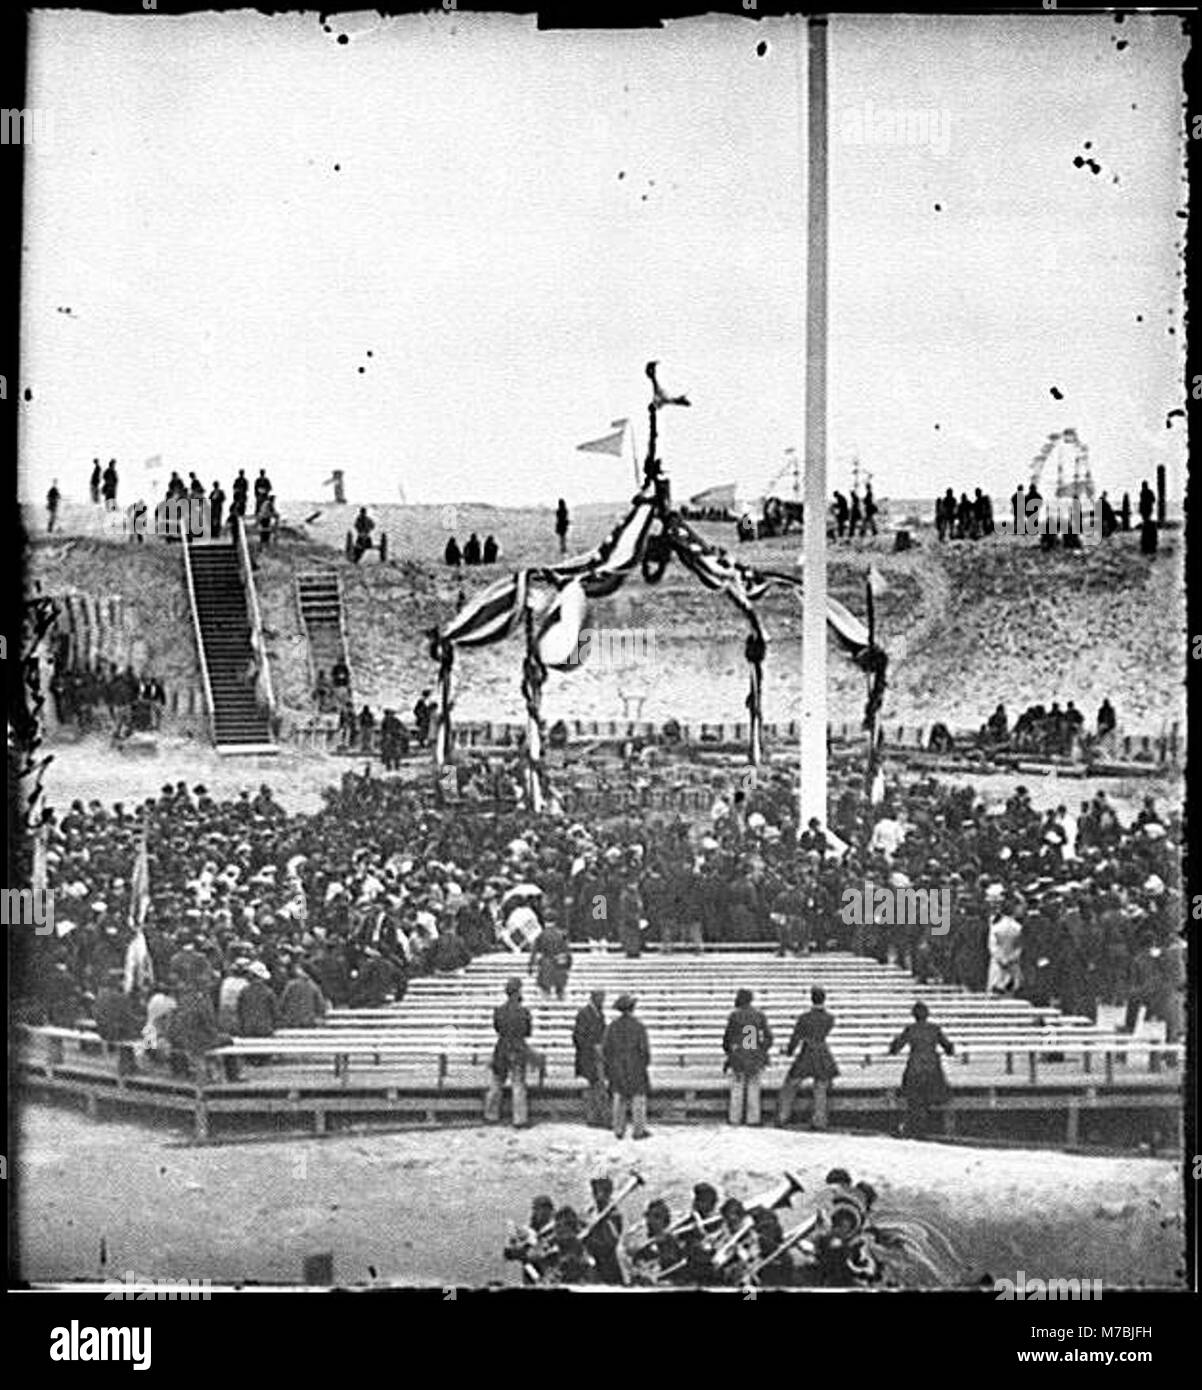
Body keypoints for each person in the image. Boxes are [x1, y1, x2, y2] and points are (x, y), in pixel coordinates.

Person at [888, 1000, 954, 1139]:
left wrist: (893, 1044)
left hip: (915, 1069)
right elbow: (948, 1048)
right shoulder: (935, 1029)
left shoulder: (910, 1029)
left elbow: (896, 1048)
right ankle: (925, 1128)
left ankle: (914, 1128)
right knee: (926, 1098)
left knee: (914, 1099)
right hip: (932, 1070)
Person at [777, 986, 839, 1129]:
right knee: (820, 1087)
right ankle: (820, 1119)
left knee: (790, 1084)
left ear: (811, 999)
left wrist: (789, 1051)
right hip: (822, 1051)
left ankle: (782, 1116)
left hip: (807, 1051)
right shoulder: (829, 1018)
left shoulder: (804, 1018)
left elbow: (796, 1037)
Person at [484, 977, 534, 1128]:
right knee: (518, 1085)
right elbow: (528, 1032)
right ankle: (519, 1119)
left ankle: (490, 1115)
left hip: (502, 1047)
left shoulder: (499, 1011)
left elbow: (497, 1029)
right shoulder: (524, 1012)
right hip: (518, 1048)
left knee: (496, 1083)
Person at [722, 988, 773, 1126]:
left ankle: (734, 1118)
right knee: (753, 1087)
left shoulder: (734, 1016)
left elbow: (727, 1038)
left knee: (737, 1087)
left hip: (738, 1055)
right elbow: (769, 1037)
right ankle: (753, 1118)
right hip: (754, 1055)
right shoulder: (759, 1015)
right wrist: (762, 1049)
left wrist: (730, 1052)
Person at [603, 993, 651, 1139]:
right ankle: (638, 1130)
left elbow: (606, 1049)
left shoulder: (612, 1027)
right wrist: (644, 1063)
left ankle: (618, 1129)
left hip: (617, 1066)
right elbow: (644, 1049)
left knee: (619, 1098)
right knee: (638, 1100)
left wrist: (610, 1065)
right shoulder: (639, 1027)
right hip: (635, 1066)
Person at [573, 989, 608, 1126]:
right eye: (601, 998)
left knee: (597, 1086)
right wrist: (593, 1047)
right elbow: (578, 1036)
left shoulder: (599, 1013)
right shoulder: (585, 1014)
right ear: (594, 998)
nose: (603, 1001)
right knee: (595, 1086)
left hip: (597, 1056)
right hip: (589, 1056)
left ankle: (596, 1117)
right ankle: (596, 1117)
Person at [582, 1176, 625, 1285]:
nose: (600, 1194)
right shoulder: (589, 1211)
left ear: (609, 1192)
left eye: (604, 1190)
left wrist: (603, 1220)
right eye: (596, 1190)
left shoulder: (615, 1214)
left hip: (609, 1263)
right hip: (591, 1260)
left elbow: (612, 1241)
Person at [529, 919, 571, 999]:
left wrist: (530, 966)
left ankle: (545, 1006)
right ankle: (561, 1005)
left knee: (545, 990)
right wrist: (568, 965)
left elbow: (534, 952)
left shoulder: (542, 935)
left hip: (546, 966)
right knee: (560, 990)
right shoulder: (561, 935)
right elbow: (567, 951)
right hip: (559, 965)